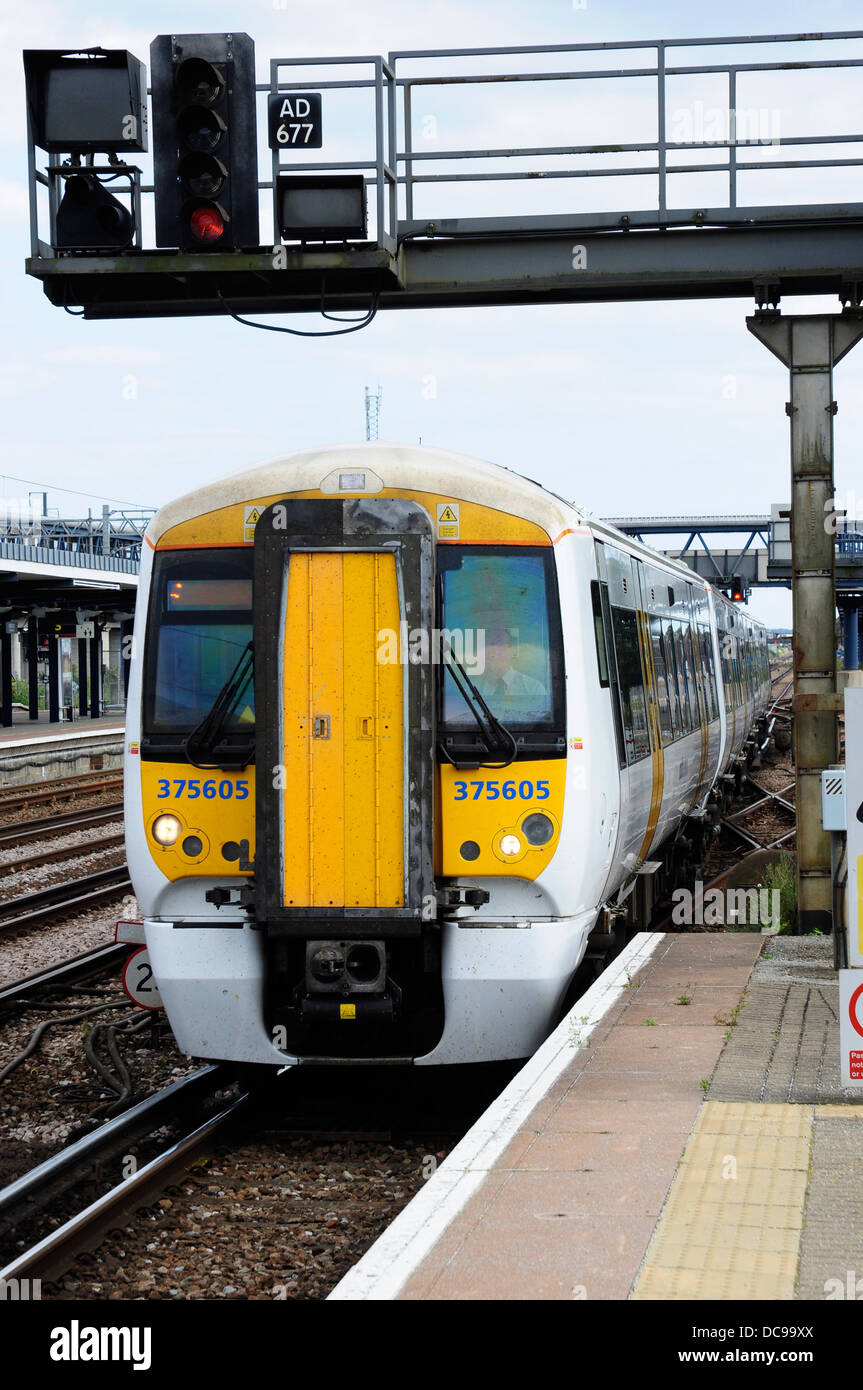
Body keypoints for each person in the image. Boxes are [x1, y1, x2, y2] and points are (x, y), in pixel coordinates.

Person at [476, 623, 548, 720]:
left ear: (513, 651)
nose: (495, 651)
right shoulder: (472, 687)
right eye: (490, 645)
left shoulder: (533, 688)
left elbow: (541, 725)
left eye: (501, 645)